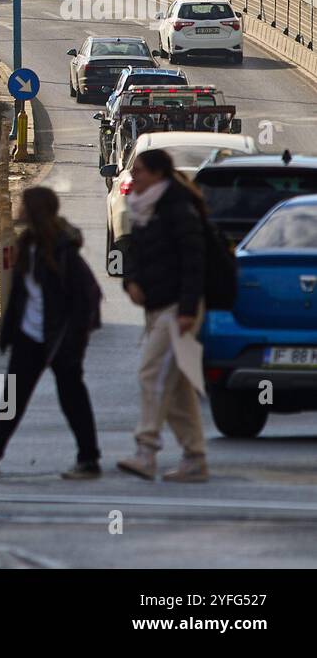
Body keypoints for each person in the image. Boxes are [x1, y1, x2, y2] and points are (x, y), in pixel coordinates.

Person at [0, 186, 102, 479]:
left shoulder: (63, 252)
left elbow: (89, 297)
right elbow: (21, 296)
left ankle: (89, 459)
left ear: (34, 210)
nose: (18, 208)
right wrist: (9, 332)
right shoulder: (28, 244)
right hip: (28, 336)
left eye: (23, 204)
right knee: (13, 398)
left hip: (58, 338)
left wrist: (74, 339)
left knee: (72, 398)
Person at [116, 147, 210, 483]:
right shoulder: (144, 206)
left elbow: (193, 261)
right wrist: (131, 280)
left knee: (151, 373)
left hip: (177, 309)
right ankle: (195, 458)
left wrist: (186, 310)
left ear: (157, 174)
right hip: (157, 309)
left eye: (139, 170)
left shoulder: (177, 208)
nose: (134, 176)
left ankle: (146, 452)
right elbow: (135, 251)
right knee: (177, 390)